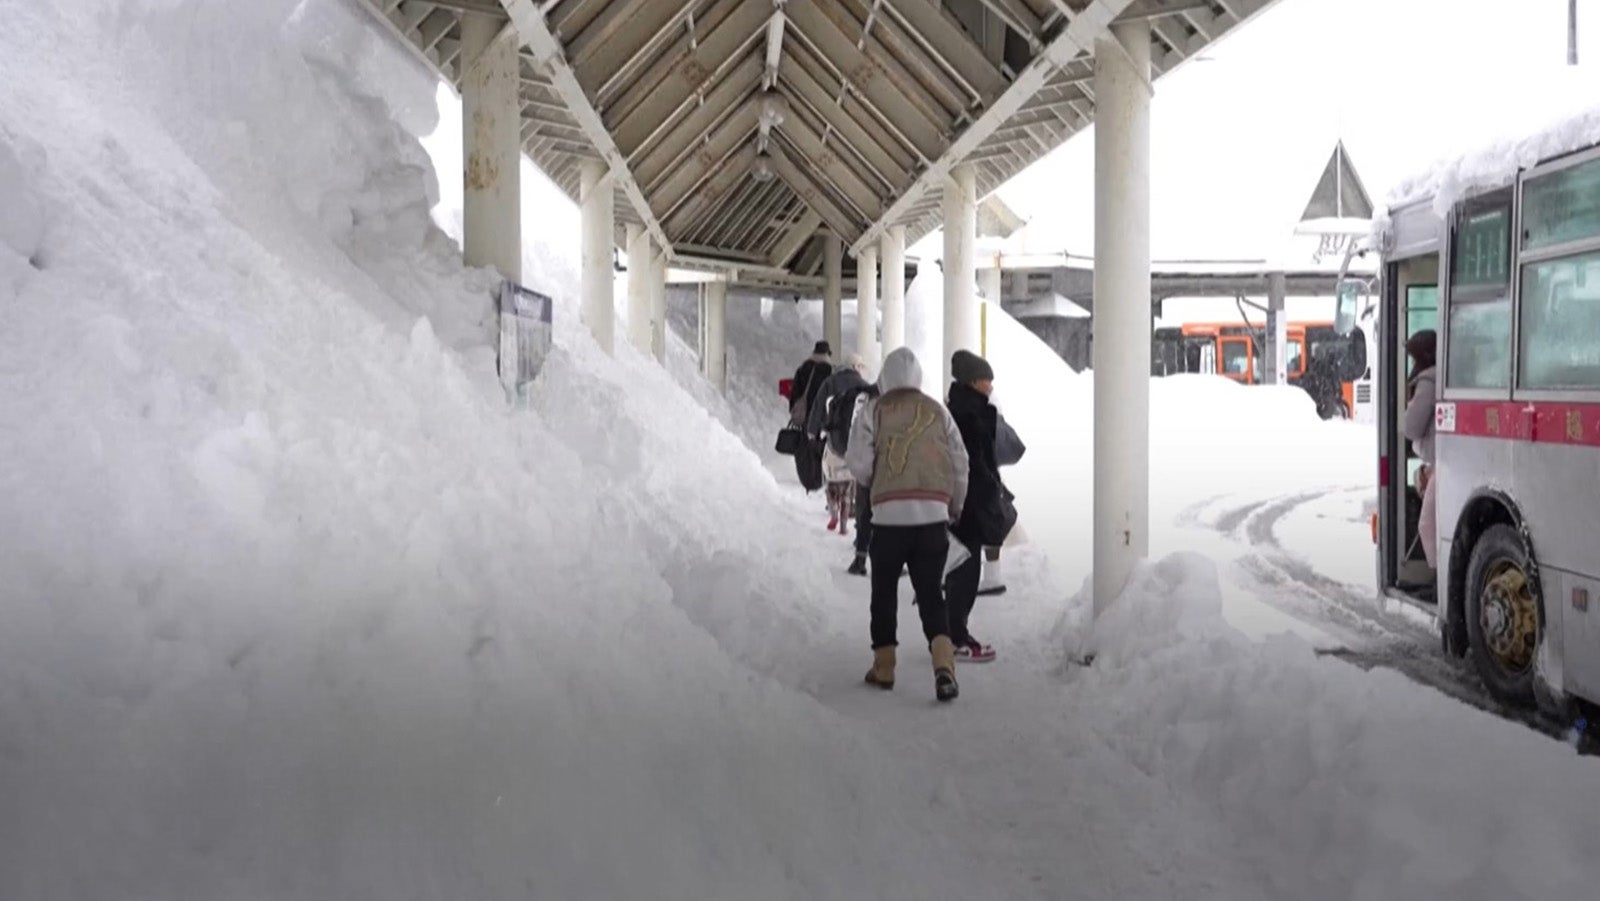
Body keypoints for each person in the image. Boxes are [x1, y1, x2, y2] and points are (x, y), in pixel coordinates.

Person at [846, 347, 968, 702]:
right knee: (932, 594)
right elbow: (960, 461)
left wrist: (879, 480)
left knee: (883, 591)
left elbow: (858, 462)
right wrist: (953, 504)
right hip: (932, 517)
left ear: (885, 377)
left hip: (888, 518)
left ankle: (884, 666)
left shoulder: (874, 410)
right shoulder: (937, 411)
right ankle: (944, 666)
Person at [944, 350, 1014, 664]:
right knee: (965, 570)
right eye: (987, 379)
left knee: (962, 566)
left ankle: (951, 632)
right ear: (974, 381)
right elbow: (973, 462)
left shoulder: (962, 407)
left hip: (966, 498)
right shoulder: (968, 414)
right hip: (969, 501)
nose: (991, 385)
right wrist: (989, 489)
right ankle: (954, 636)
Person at [808, 355, 870, 533]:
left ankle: (833, 510)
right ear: (855, 367)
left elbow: (818, 407)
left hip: (834, 440)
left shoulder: (830, 383)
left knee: (831, 477)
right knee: (853, 482)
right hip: (857, 444)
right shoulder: (864, 384)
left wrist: (813, 433)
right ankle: (849, 511)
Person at [1404, 330, 1438, 569]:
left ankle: (1438, 581)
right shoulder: (1441, 376)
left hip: (1442, 463)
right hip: (1444, 460)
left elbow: (1411, 427)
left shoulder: (1427, 382)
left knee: (1427, 524)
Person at [788, 341, 834, 428]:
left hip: (804, 412)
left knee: (803, 436)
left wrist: (793, 407)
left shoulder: (803, 367)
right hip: (820, 413)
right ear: (827, 354)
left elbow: (795, 390)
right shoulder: (830, 370)